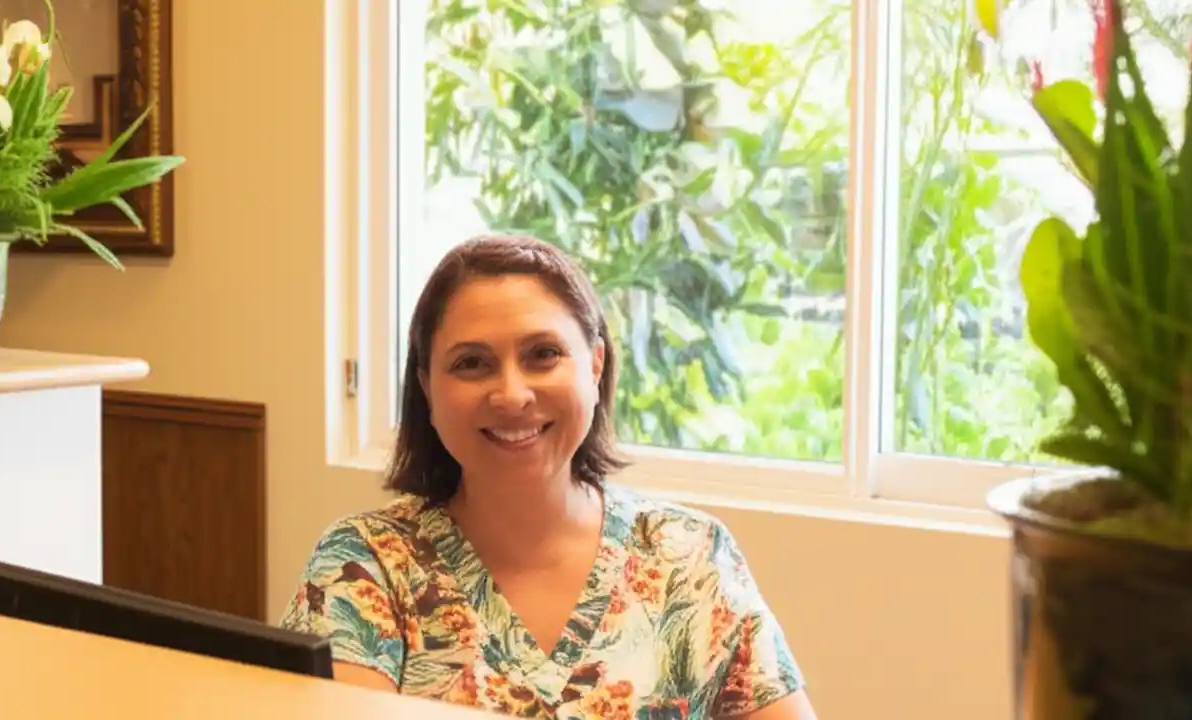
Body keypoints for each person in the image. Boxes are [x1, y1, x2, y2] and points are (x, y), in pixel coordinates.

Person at [280, 235, 815, 718]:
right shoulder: (364, 567)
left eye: (543, 355)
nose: (512, 394)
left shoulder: (689, 559)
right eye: (471, 363)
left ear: (596, 364)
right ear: (426, 387)